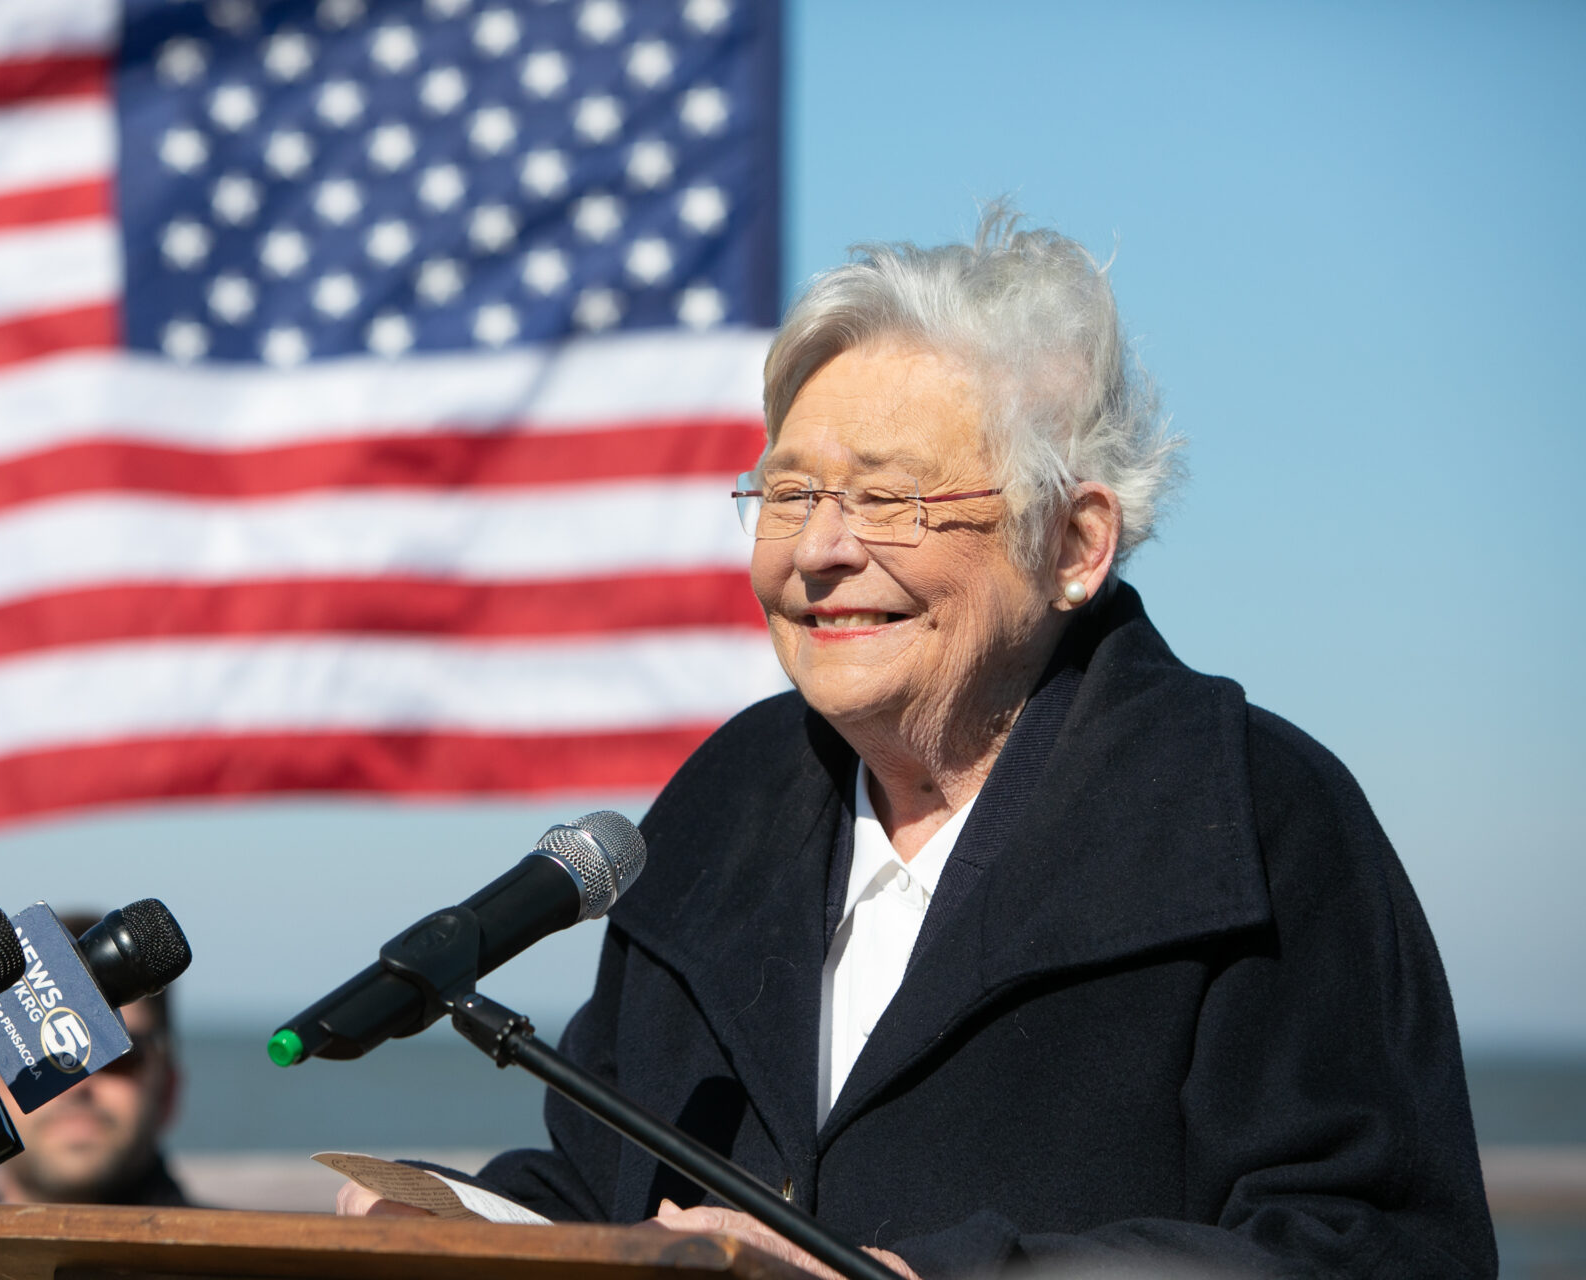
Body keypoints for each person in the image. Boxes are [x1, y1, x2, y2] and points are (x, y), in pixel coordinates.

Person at [338, 206, 1496, 1277]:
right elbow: (608, 1178)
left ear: (1073, 542)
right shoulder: (719, 807)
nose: (820, 550)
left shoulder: (1254, 816)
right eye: (788, 494)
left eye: (891, 500)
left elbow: (1372, 1245)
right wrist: (467, 1222)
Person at [0, 912, 189, 1207]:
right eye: (40, 1054)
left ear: (168, 1089)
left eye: (117, 1057)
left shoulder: (240, 1253)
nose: (76, 1086)